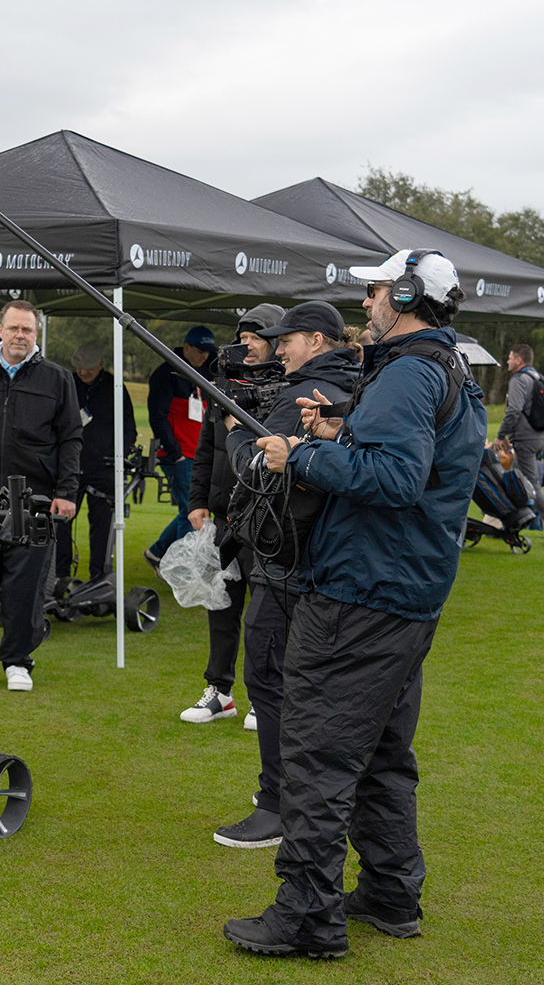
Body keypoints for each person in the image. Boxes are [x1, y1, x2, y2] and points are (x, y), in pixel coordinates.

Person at [223, 250, 486, 959]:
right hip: (405, 593)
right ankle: (392, 892)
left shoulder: (405, 372)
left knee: (316, 751)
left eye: (374, 290)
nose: (366, 303)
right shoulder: (444, 367)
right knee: (383, 754)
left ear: (402, 295)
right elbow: (418, 464)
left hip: (363, 592)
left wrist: (299, 455)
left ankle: (308, 915)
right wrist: (345, 434)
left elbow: (397, 479)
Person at [212, 301, 360, 849]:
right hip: (321, 558)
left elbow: (254, 463)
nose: (278, 350)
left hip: (288, 562)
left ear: (316, 341)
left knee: (270, 676)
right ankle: (303, 800)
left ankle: (278, 802)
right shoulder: (352, 383)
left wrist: (232, 428)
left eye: (287, 340)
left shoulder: (310, 390)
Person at [0, 300, 81, 692]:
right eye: (14, 328)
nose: (20, 335)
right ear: (0, 330)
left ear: (36, 334)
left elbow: (71, 439)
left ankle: (17, 662)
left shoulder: (57, 379)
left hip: (36, 502)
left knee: (25, 587)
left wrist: (66, 491)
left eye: (27, 329)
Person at [181, 304, 284, 729]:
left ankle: (264, 696)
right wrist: (196, 502)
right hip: (222, 518)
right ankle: (219, 691)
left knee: (265, 614)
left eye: (257, 337)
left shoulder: (286, 387)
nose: (248, 345)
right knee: (220, 608)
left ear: (276, 341)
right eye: (243, 338)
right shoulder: (220, 387)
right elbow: (205, 451)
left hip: (266, 521)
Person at [54, 341, 137, 581]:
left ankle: (99, 578)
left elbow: (128, 425)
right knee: (61, 522)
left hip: (104, 466)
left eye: (88, 367)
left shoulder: (115, 386)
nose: (83, 372)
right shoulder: (67, 383)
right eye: (79, 367)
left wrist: (119, 453)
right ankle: (60, 576)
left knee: (101, 525)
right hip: (70, 466)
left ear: (100, 365)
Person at [143, 326, 216, 580]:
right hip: (178, 456)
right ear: (186, 347)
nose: (204, 356)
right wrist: (175, 454)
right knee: (191, 510)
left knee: (194, 508)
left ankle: (158, 551)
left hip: (199, 454)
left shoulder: (207, 373)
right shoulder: (166, 374)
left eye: (208, 352)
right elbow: (157, 416)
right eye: (199, 351)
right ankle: (184, 571)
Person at [491, 344, 544, 517]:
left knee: (532, 485)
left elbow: (514, 409)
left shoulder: (519, 380)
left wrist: (500, 436)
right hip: (538, 436)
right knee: (512, 479)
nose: (508, 361)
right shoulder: (538, 377)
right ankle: (513, 520)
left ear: (519, 360)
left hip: (525, 439)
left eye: (510, 357)